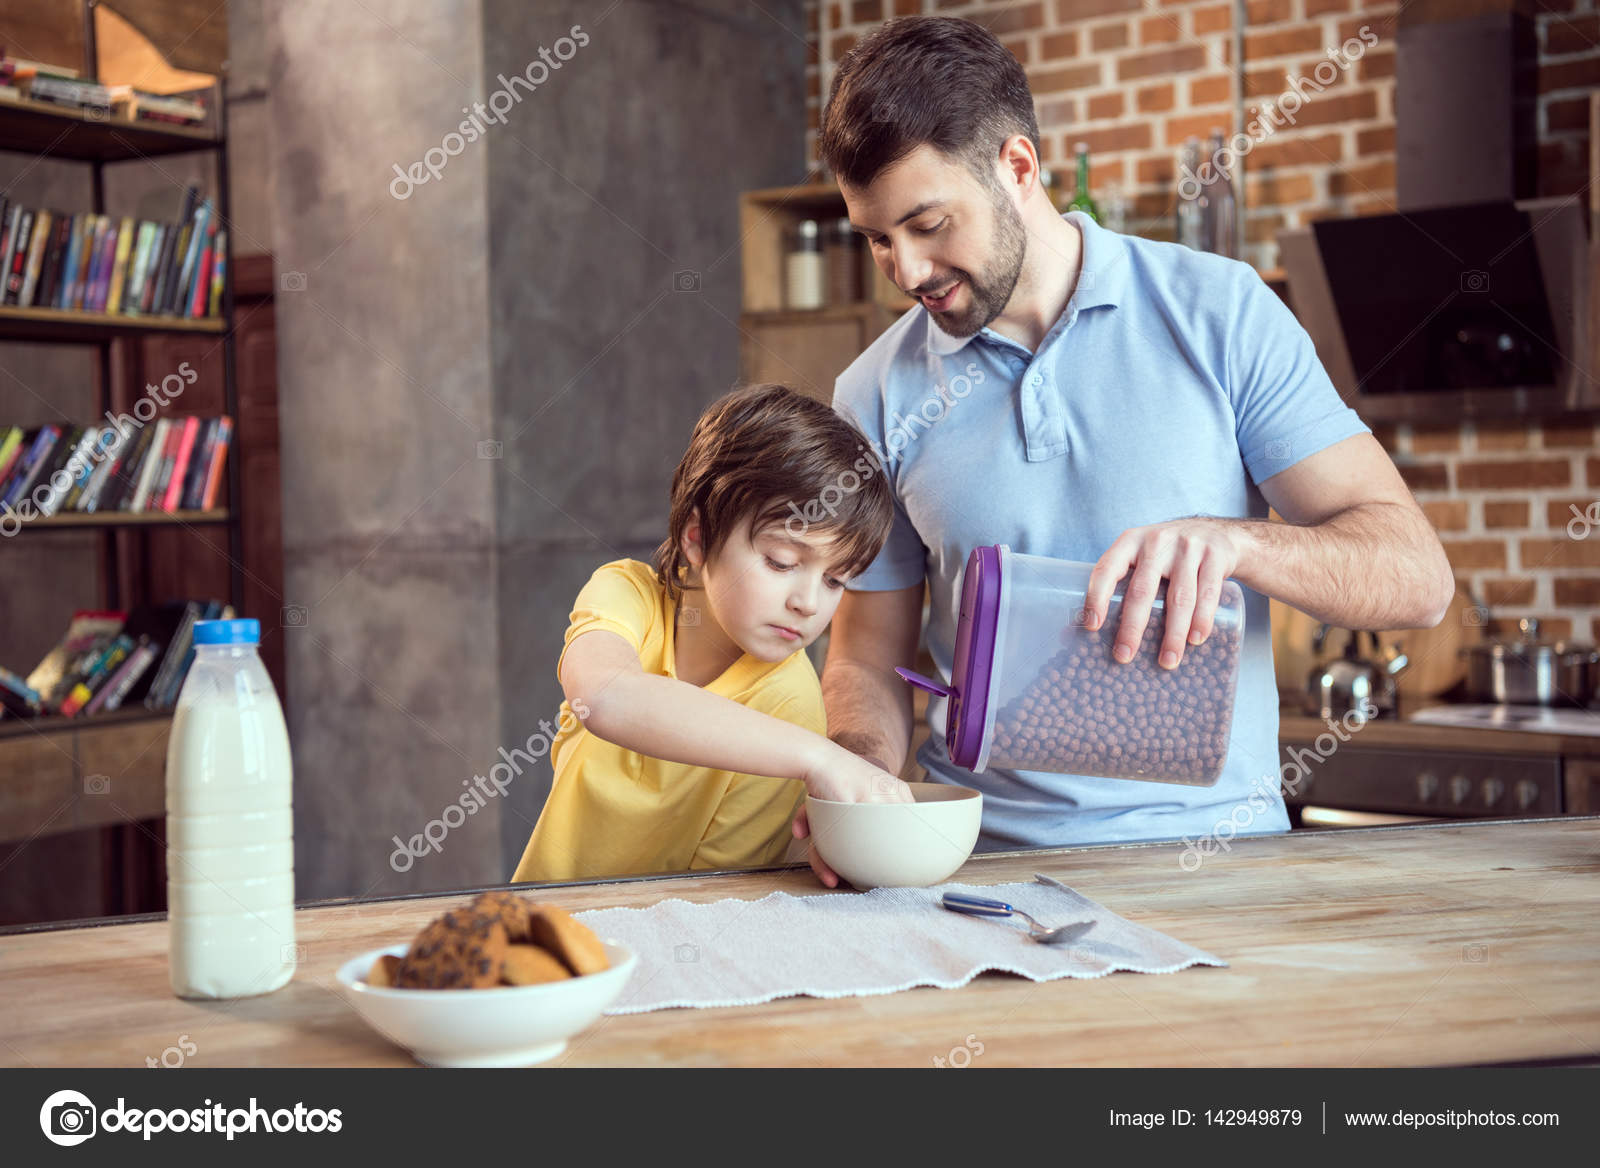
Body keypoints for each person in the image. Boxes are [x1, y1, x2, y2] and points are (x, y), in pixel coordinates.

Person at [793, 16, 1455, 887]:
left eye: (927, 224)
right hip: (977, 879)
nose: (907, 270)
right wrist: (859, 779)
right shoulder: (873, 393)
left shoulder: (1222, 313)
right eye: (878, 237)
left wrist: (1240, 543)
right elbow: (868, 655)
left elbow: (1418, 580)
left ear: (1018, 168)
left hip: (1221, 868)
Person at [512, 383, 912, 883]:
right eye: (780, 561)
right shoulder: (628, 595)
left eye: (835, 580)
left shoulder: (790, 705)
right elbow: (605, 697)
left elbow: (712, 902)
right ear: (697, 537)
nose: (808, 603)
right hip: (535, 928)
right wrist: (819, 757)